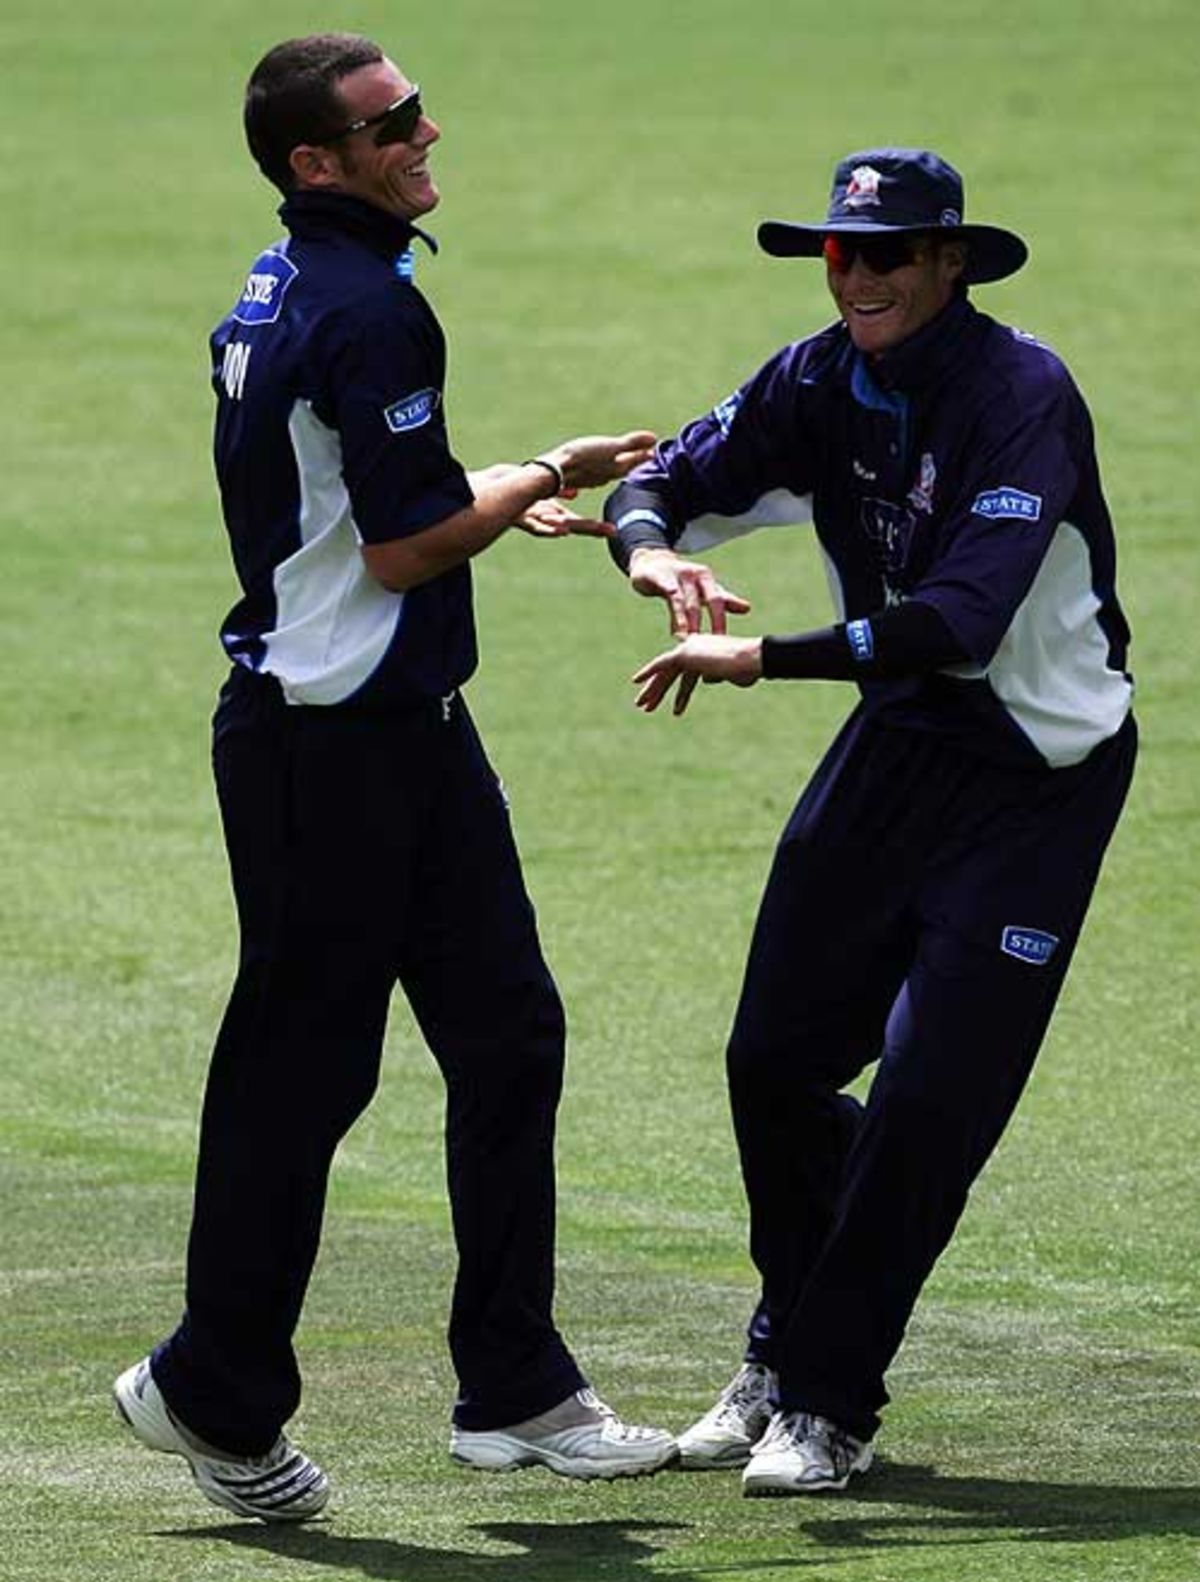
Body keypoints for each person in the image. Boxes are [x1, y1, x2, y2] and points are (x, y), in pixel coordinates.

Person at [112, 32, 678, 1522]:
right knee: (302, 1075)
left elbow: (354, 491)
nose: (426, 134)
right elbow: (397, 544)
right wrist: (530, 481)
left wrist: (488, 489)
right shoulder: (368, 307)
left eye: (416, 109)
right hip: (326, 742)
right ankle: (210, 1389)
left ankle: (516, 1385)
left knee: (507, 1030)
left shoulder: (297, 278)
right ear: (317, 161)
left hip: (406, 722)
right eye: (391, 124)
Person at [605, 147, 1136, 1495]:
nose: (861, 277)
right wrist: (651, 546)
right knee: (771, 1060)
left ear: (951, 260)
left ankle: (828, 1396)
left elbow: (959, 625)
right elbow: (665, 475)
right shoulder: (813, 375)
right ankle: (790, 1347)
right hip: (898, 744)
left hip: (1036, 770)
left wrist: (758, 657)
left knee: (926, 1099)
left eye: (891, 254)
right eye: (842, 253)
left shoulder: (1023, 395)